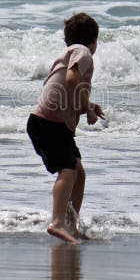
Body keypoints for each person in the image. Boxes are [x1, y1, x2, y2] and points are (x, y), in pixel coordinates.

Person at [27, 13, 104, 243]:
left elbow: (62, 93)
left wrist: (87, 105)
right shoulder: (84, 52)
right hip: (50, 123)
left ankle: (70, 224)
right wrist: (88, 110)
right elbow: (72, 80)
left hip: (45, 122)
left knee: (78, 173)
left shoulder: (68, 53)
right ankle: (58, 222)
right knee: (68, 170)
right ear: (94, 40)